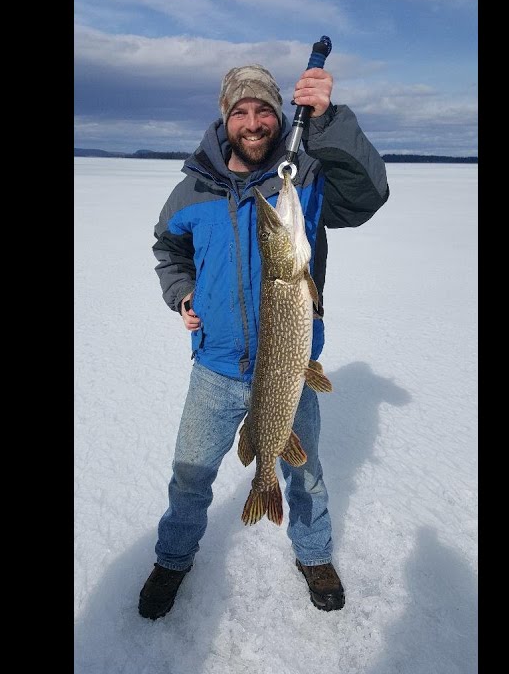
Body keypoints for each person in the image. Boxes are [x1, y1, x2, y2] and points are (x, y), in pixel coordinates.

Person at [144, 63, 389, 620]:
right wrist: (183, 295)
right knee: (190, 475)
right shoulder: (192, 190)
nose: (253, 122)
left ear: (279, 116)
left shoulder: (301, 178)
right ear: (225, 118)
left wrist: (328, 123)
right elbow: (170, 252)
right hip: (215, 369)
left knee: (305, 475)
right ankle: (173, 558)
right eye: (240, 112)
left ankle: (314, 553)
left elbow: (369, 194)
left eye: (263, 111)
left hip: (290, 368)